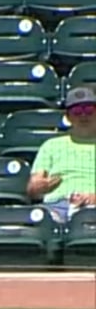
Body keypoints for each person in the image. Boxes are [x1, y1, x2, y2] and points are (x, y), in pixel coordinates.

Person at [25, 84, 96, 223]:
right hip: (56, 206)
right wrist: (39, 186)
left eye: (89, 109)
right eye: (76, 111)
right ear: (68, 117)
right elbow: (33, 188)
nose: (83, 115)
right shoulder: (51, 145)